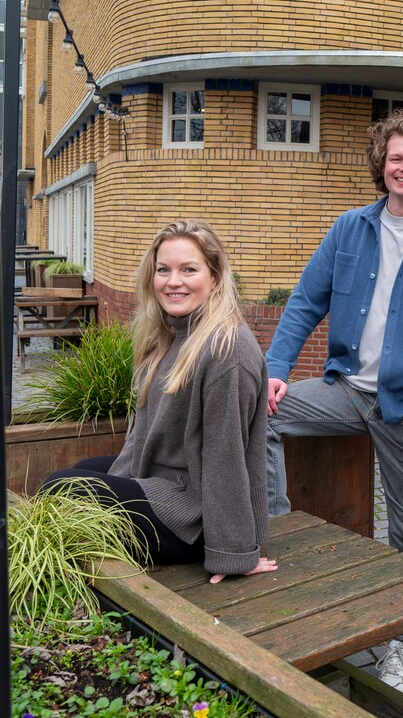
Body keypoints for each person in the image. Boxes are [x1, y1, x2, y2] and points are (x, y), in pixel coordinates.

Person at [266, 105, 403, 694]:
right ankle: (278, 531)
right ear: (381, 165)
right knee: (255, 410)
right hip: (344, 391)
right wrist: (273, 371)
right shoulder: (349, 229)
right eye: (396, 159)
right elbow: (305, 302)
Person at [42, 219, 276, 584]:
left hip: (193, 518)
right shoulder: (171, 332)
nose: (173, 281)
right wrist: (124, 483)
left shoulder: (226, 351)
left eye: (189, 270)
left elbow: (226, 456)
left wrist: (233, 553)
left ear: (214, 277)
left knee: (61, 486)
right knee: (87, 469)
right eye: (163, 270)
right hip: (167, 480)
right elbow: (144, 432)